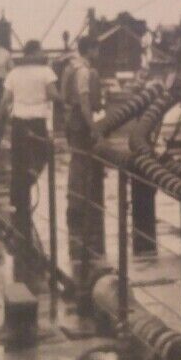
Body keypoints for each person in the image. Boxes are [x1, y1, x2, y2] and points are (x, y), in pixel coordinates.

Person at [0, 40, 60, 245]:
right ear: (36, 52)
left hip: (19, 122)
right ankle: (32, 176)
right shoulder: (46, 71)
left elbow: (5, 101)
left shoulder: (14, 74)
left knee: (18, 161)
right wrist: (66, 100)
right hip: (38, 121)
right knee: (43, 155)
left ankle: (18, 202)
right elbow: (53, 94)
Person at [61, 35, 105, 276]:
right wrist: (93, 127)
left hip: (71, 121)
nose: (98, 52)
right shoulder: (84, 72)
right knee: (81, 163)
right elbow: (85, 101)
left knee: (76, 163)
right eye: (97, 49)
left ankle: (75, 201)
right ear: (91, 49)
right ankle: (79, 206)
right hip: (80, 122)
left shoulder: (71, 67)